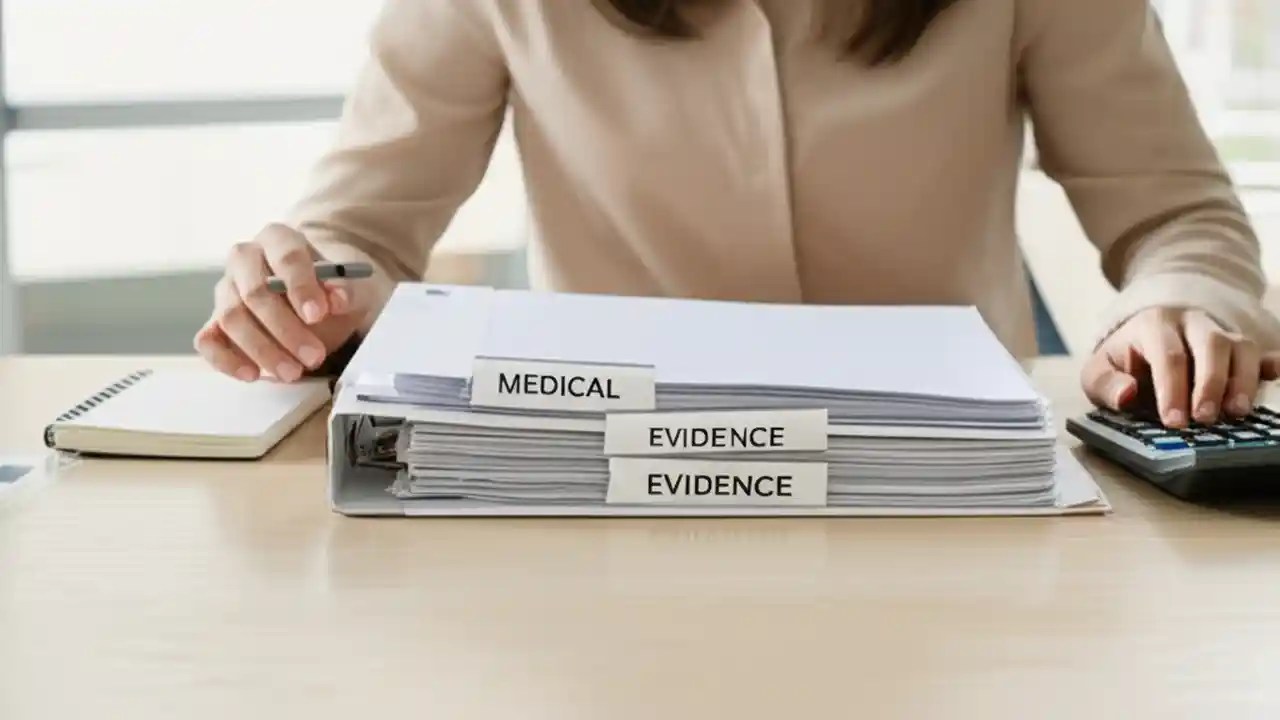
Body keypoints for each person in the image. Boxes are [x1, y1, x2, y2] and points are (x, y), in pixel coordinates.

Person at [195, 0, 1280, 430]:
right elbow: (359, 230)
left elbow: (1175, 215)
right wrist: (308, 292)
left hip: (950, 480)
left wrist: (1174, 311)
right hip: (608, 475)